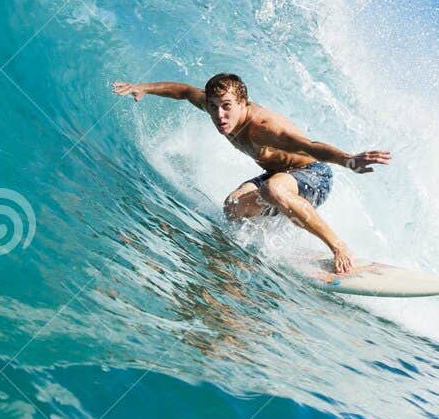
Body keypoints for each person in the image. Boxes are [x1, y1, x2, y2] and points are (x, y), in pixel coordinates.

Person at [110, 73, 390, 273]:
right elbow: (184, 91)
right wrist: (144, 87)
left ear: (243, 104)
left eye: (227, 107)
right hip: (279, 175)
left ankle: (339, 246)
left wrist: (349, 160)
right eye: (214, 107)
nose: (220, 115)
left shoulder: (262, 129)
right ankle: (268, 245)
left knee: (273, 191)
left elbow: (311, 146)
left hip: (312, 174)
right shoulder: (214, 107)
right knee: (233, 206)